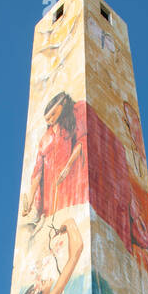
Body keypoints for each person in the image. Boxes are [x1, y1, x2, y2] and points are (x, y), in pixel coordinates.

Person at [21, 92, 87, 222]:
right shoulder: (45, 138)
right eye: (48, 119)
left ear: (62, 106)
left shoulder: (74, 117)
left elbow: (82, 140)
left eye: (53, 114)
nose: (51, 119)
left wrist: (68, 166)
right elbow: (37, 172)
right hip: (51, 187)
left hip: (70, 179)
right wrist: (30, 201)